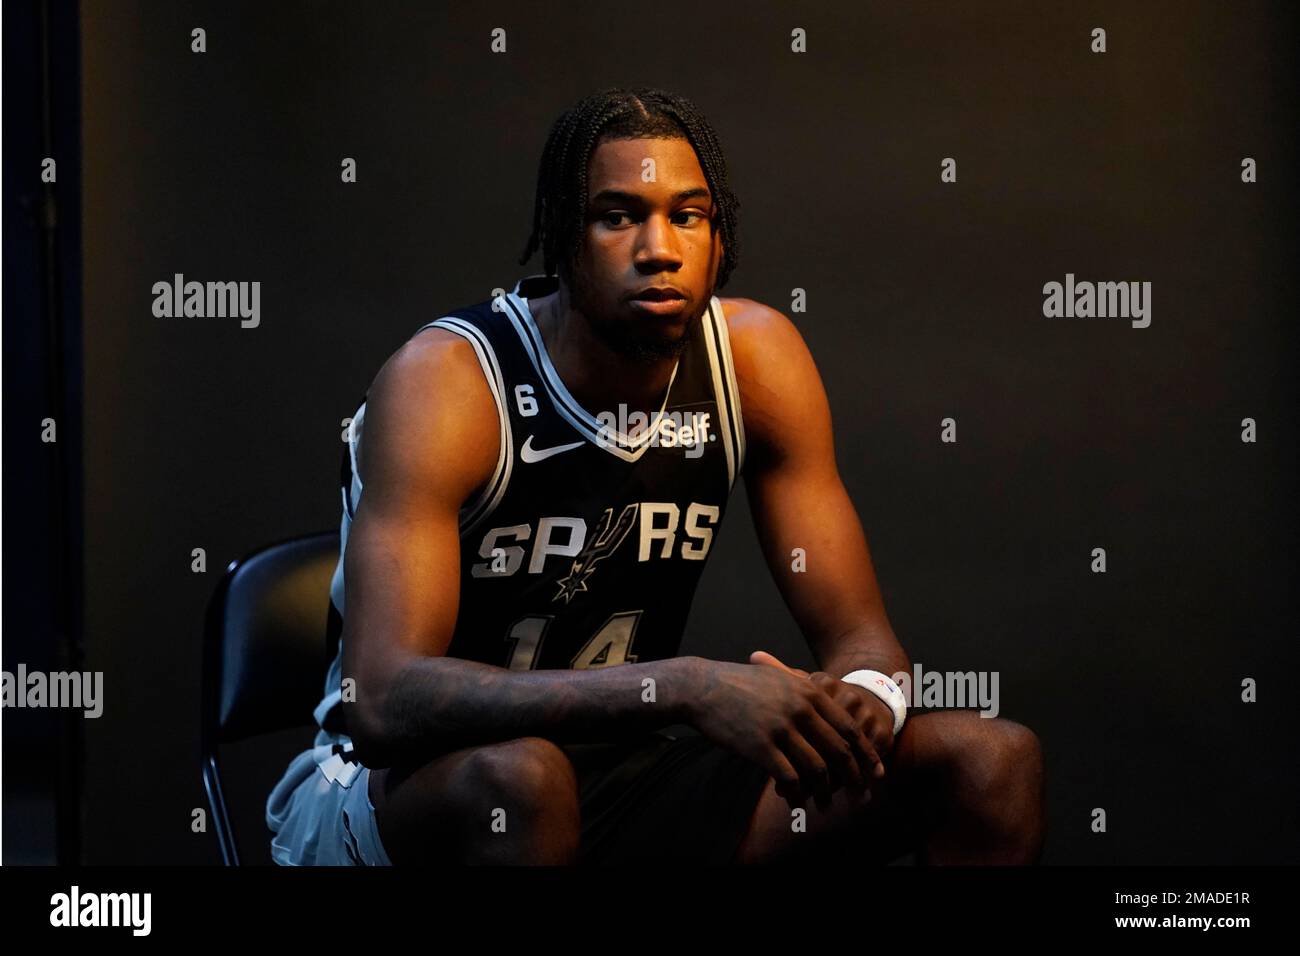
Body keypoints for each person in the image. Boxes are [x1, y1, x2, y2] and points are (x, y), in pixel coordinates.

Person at [266, 86, 1045, 866]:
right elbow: (381, 700)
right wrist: (683, 688)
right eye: (618, 216)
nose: (660, 248)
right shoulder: (450, 383)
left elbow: (863, 640)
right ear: (565, 237)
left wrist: (865, 701)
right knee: (525, 780)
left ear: (719, 234)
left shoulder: (756, 360)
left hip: (626, 775)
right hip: (392, 791)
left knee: (988, 762)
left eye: (687, 215)